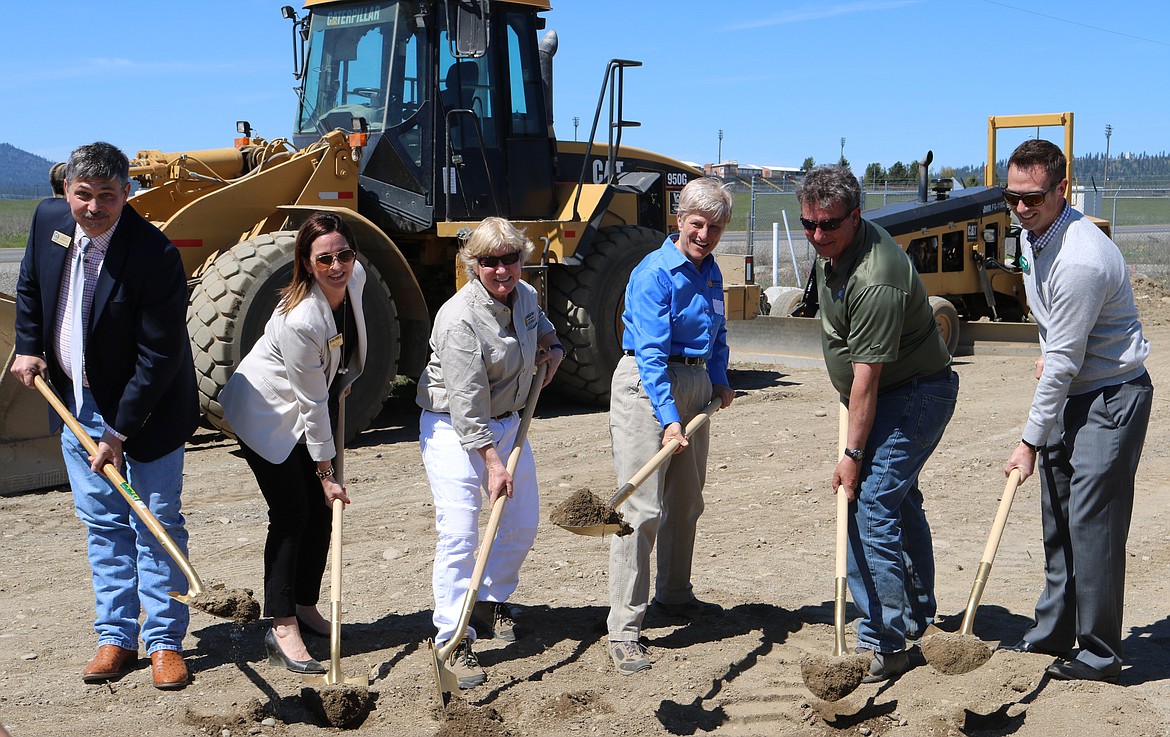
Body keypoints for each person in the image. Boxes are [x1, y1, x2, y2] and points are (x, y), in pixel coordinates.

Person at [11, 142, 199, 690]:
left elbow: (158, 356)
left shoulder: (154, 254)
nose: (93, 208)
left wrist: (118, 432)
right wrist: (28, 346)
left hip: (149, 410)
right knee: (103, 523)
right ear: (66, 190)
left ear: (127, 193)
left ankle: (164, 641)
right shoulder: (50, 220)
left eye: (108, 197)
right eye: (82, 195)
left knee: (155, 520)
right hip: (76, 403)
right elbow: (29, 285)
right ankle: (116, 637)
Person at [798, 164, 958, 683]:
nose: (818, 236)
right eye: (808, 225)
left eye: (829, 225)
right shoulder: (834, 252)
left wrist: (852, 454)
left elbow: (867, 379)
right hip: (885, 393)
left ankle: (884, 640)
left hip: (913, 396)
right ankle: (914, 618)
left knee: (869, 504)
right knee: (898, 500)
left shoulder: (877, 276)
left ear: (856, 216)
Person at [1000, 139, 1152, 683]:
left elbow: (1065, 362)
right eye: (1012, 196)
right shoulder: (1030, 234)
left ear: (1062, 189)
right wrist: (1051, 351)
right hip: (1075, 386)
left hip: (1111, 396)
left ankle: (1101, 652)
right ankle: (1053, 631)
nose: (1020, 208)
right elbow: (1056, 338)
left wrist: (1028, 441)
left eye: (1033, 197)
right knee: (1058, 514)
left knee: (1093, 521)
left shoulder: (1082, 258)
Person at [417, 217, 563, 689]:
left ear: (522, 259)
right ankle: (451, 636)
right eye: (489, 262)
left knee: (521, 523)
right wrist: (493, 464)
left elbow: (542, 330)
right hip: (454, 429)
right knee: (460, 531)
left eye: (510, 259)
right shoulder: (458, 317)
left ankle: (486, 602)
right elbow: (466, 403)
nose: (502, 270)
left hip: (509, 423)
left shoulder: (526, 297)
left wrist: (553, 347)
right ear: (472, 265)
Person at [219, 212, 366, 675]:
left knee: (321, 513)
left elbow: (343, 353)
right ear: (306, 262)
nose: (337, 265)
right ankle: (281, 625)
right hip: (264, 413)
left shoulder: (352, 278)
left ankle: (304, 604)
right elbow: (310, 403)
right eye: (325, 258)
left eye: (344, 254)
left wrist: (342, 373)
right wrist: (326, 474)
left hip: (308, 404)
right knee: (292, 514)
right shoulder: (302, 319)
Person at [606, 176, 735, 676]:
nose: (704, 235)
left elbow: (717, 331)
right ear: (679, 221)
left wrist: (720, 381)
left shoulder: (712, 273)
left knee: (686, 502)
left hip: (696, 382)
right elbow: (652, 355)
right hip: (647, 387)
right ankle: (624, 628)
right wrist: (668, 419)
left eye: (715, 227)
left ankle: (675, 597)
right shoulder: (654, 272)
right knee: (641, 508)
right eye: (697, 224)